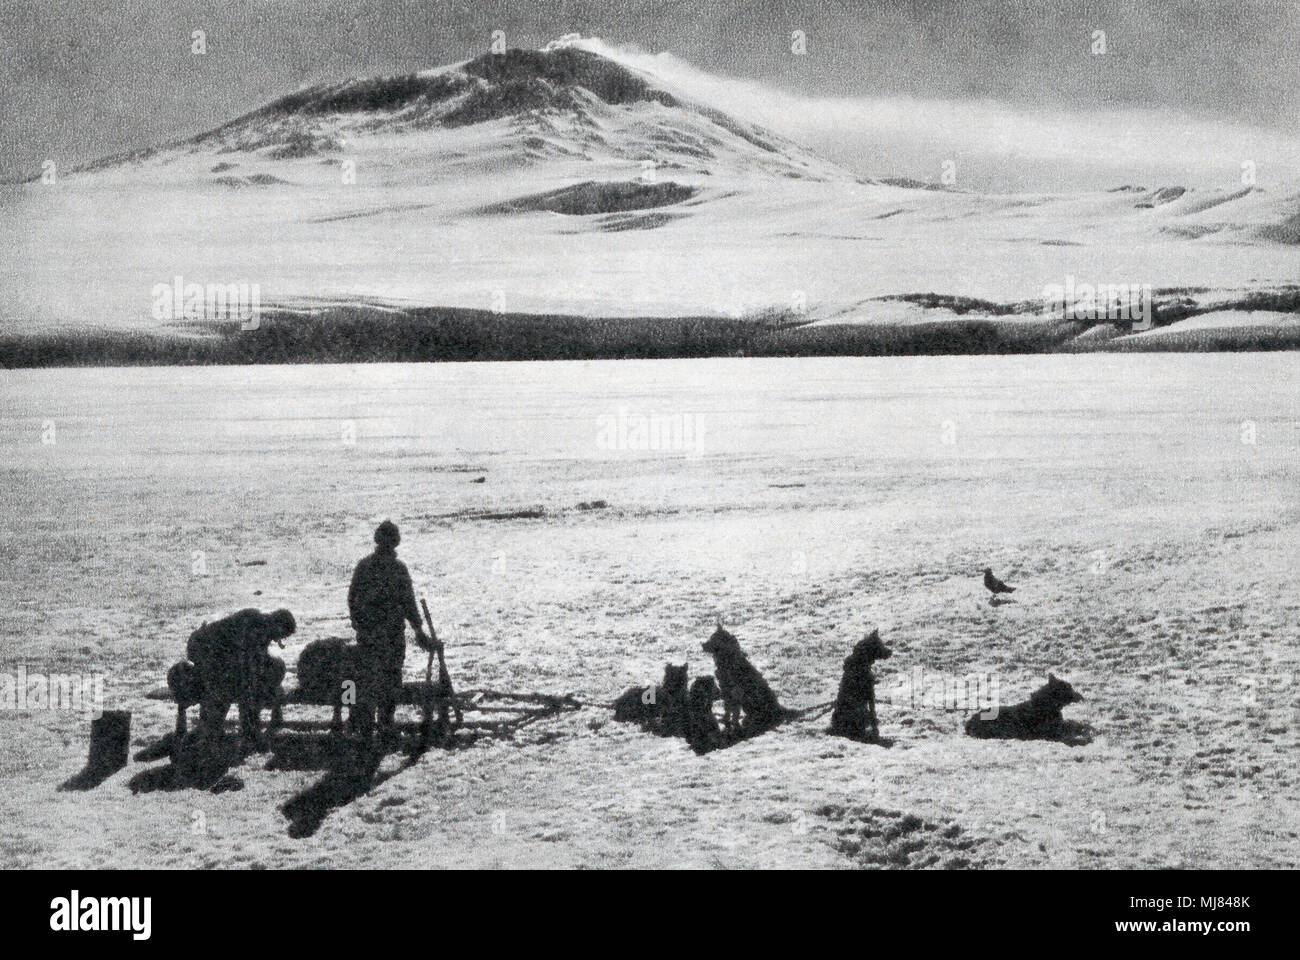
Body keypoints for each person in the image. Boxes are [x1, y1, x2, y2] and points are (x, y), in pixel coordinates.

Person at [347, 520, 436, 745]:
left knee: (371, 680)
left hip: (375, 635)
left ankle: (369, 726)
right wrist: (418, 630)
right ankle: (382, 724)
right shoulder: (396, 569)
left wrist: (361, 625)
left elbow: (353, 601)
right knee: (388, 680)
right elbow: (408, 603)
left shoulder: (365, 566)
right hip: (387, 636)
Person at [185, 608, 296, 749]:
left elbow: (255, 661)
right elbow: (247, 667)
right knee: (238, 689)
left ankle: (218, 729)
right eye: (283, 634)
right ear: (278, 626)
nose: (279, 639)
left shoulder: (261, 627)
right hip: (203, 650)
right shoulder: (255, 626)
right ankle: (240, 732)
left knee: (247, 683)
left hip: (212, 651)